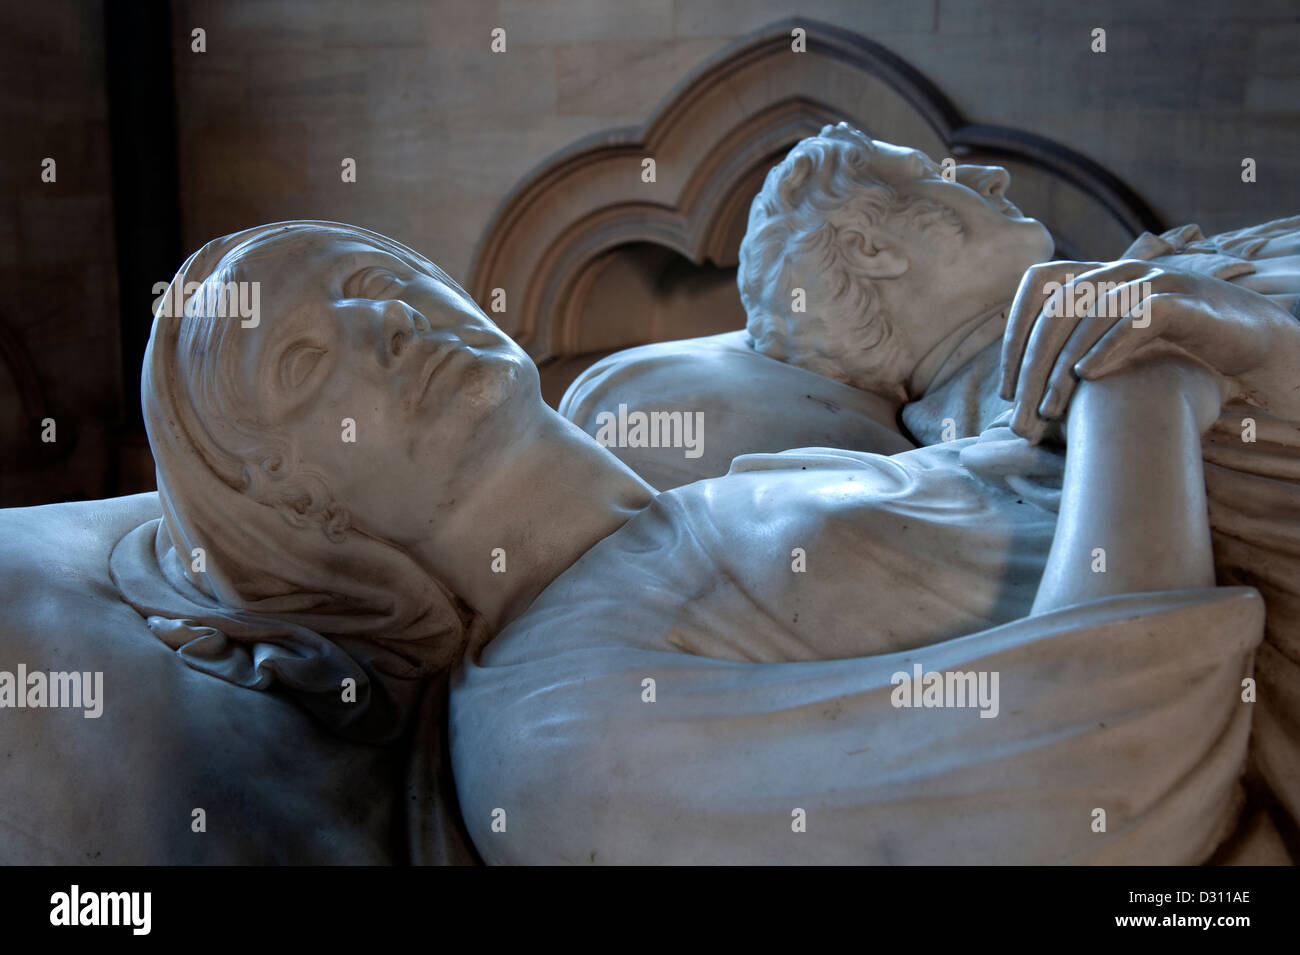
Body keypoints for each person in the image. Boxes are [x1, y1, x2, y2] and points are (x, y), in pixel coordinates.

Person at [114, 219, 1282, 864]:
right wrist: (1143, 382)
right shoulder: (554, 732)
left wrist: (1171, 343)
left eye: (374, 278)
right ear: (301, 504)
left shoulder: (722, 494)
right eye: (306, 361)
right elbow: (1093, 777)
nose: (385, 315)